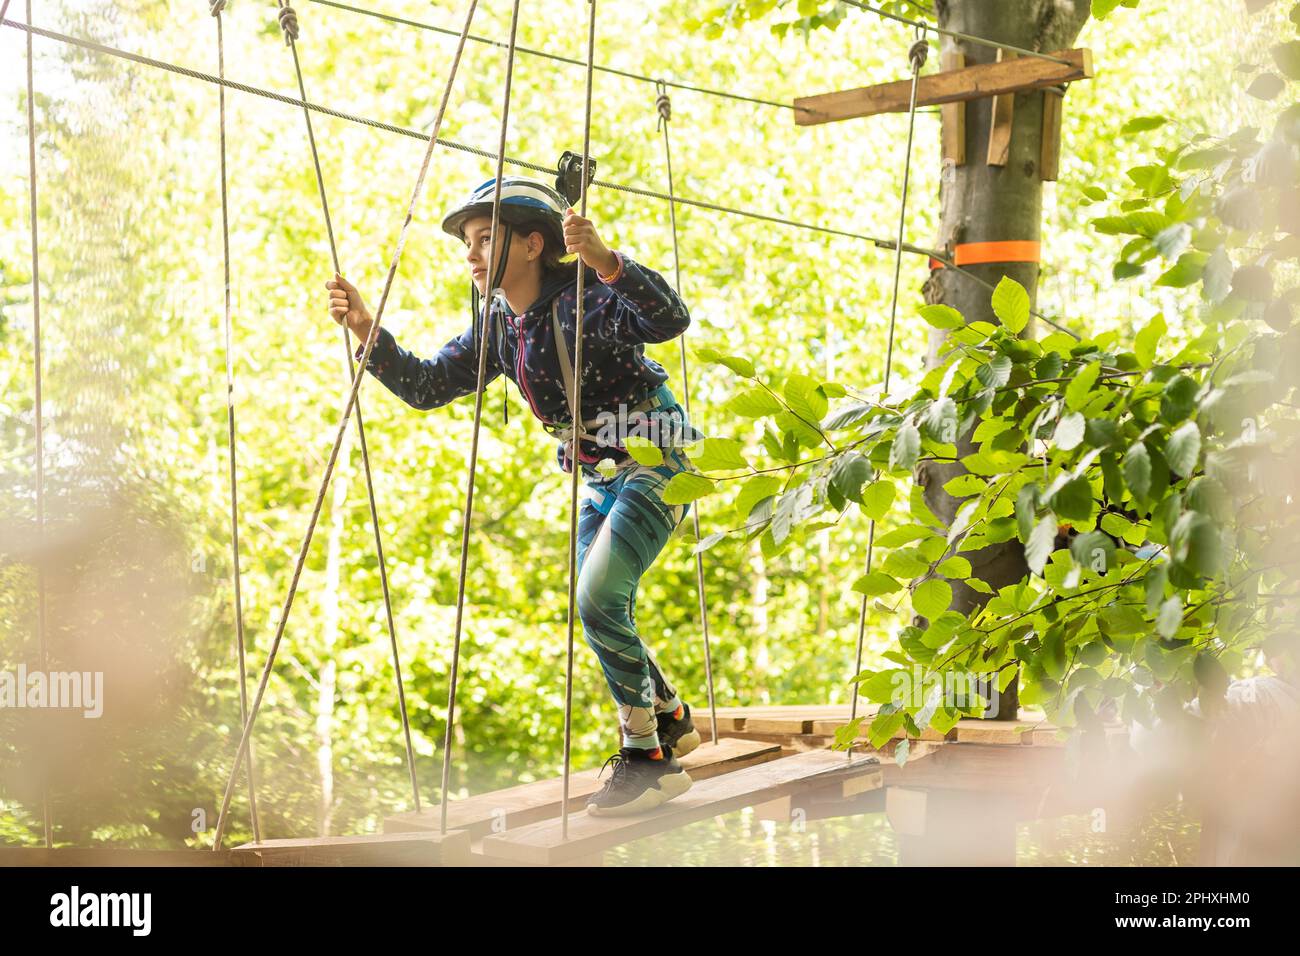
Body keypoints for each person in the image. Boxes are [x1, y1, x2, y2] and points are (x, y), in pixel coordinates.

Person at [325, 176, 705, 816]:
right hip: (599, 475)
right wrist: (366, 327)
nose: (470, 255)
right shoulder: (500, 324)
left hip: (653, 457)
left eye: (482, 240)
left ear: (534, 245)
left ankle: (648, 759)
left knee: (598, 598)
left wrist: (607, 262)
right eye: (467, 243)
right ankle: (666, 712)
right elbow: (426, 384)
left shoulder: (590, 297)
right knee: (597, 605)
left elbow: (670, 319)